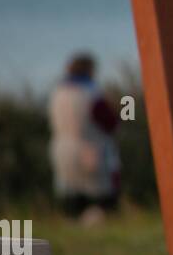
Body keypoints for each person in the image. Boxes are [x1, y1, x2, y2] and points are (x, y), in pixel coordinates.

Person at [48, 53, 121, 223]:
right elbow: (113, 124)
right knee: (102, 200)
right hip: (92, 151)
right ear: (90, 70)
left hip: (61, 150)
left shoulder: (57, 92)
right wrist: (127, 103)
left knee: (72, 200)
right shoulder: (92, 94)